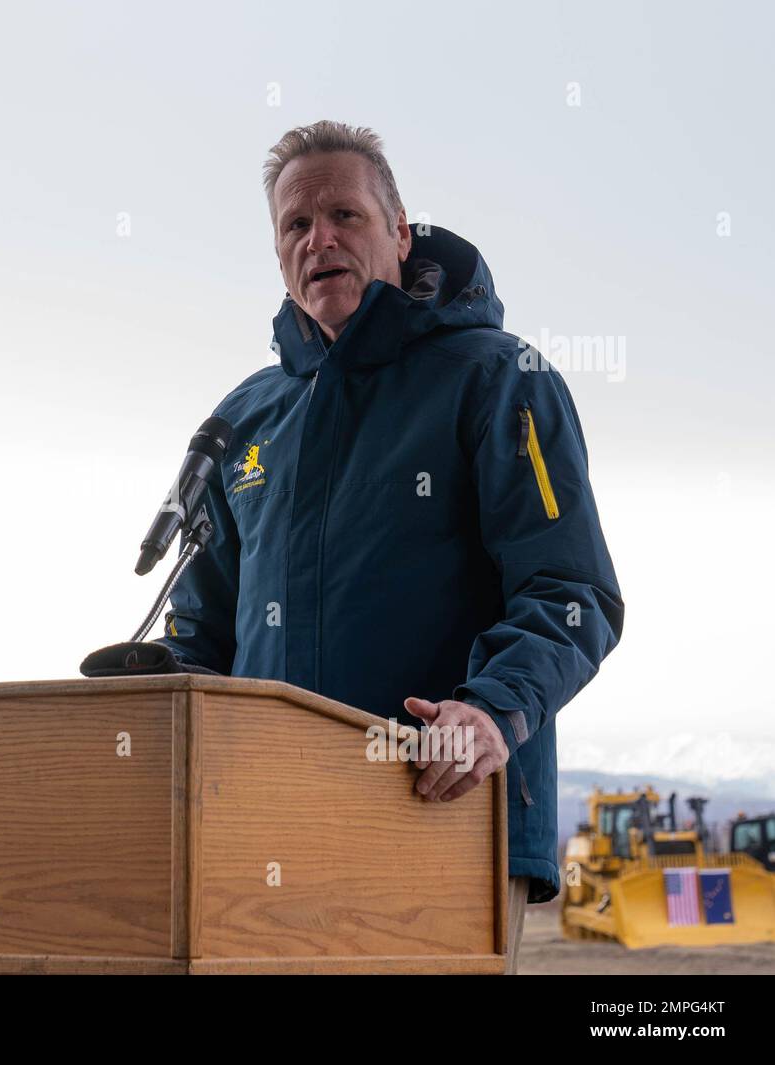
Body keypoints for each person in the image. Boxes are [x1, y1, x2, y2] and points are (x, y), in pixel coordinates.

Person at [151, 121, 625, 974]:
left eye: (345, 214)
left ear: (401, 234)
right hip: (262, 827)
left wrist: (491, 711)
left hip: (440, 807)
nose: (319, 239)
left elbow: (572, 592)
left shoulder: (499, 377)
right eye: (295, 226)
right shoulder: (245, 420)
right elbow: (200, 635)